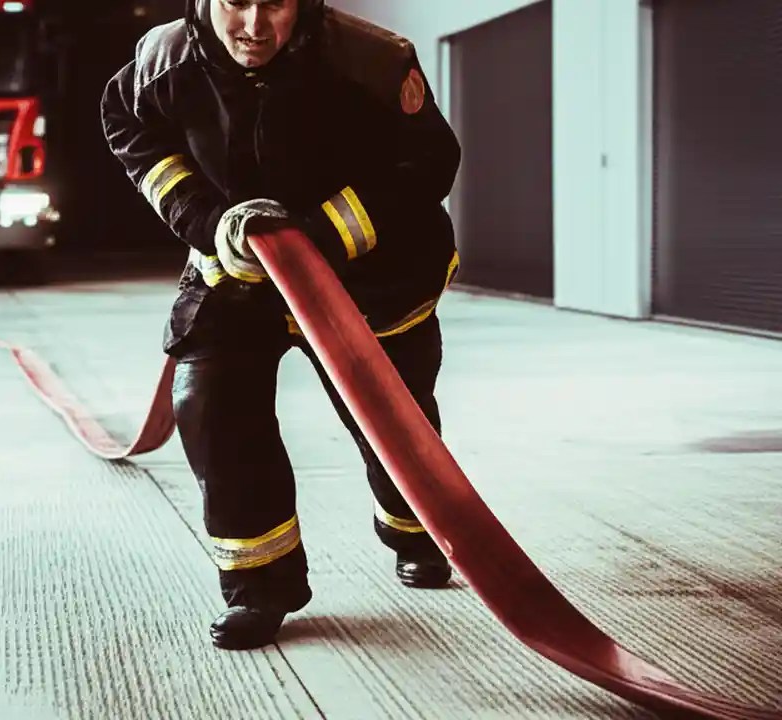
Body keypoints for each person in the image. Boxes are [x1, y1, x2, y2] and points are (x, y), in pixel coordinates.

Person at [101, 0, 462, 650]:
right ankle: (259, 588)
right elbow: (133, 131)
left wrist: (319, 236)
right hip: (237, 274)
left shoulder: (375, 61)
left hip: (370, 276)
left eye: (275, 3)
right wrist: (209, 224)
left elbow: (429, 162)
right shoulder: (162, 62)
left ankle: (417, 532)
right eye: (235, 2)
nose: (254, 25)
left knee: (394, 423)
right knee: (211, 406)